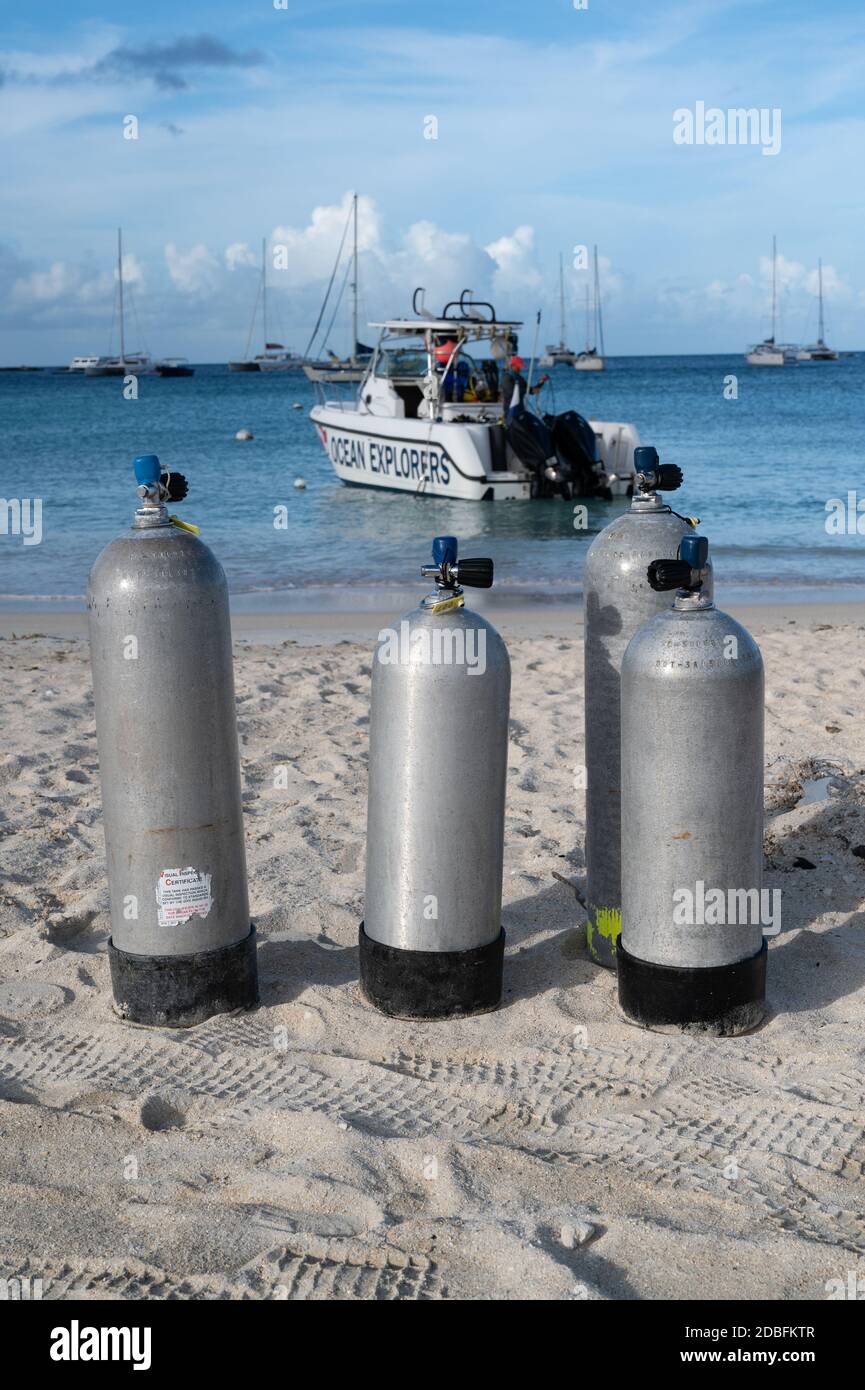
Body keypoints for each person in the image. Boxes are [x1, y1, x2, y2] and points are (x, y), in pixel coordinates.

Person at [501, 355, 549, 422]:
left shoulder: (520, 378)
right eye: (518, 367)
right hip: (510, 410)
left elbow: (530, 391)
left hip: (520, 409)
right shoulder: (506, 377)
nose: (520, 369)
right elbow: (511, 392)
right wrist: (527, 390)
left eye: (520, 367)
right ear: (513, 365)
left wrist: (541, 383)